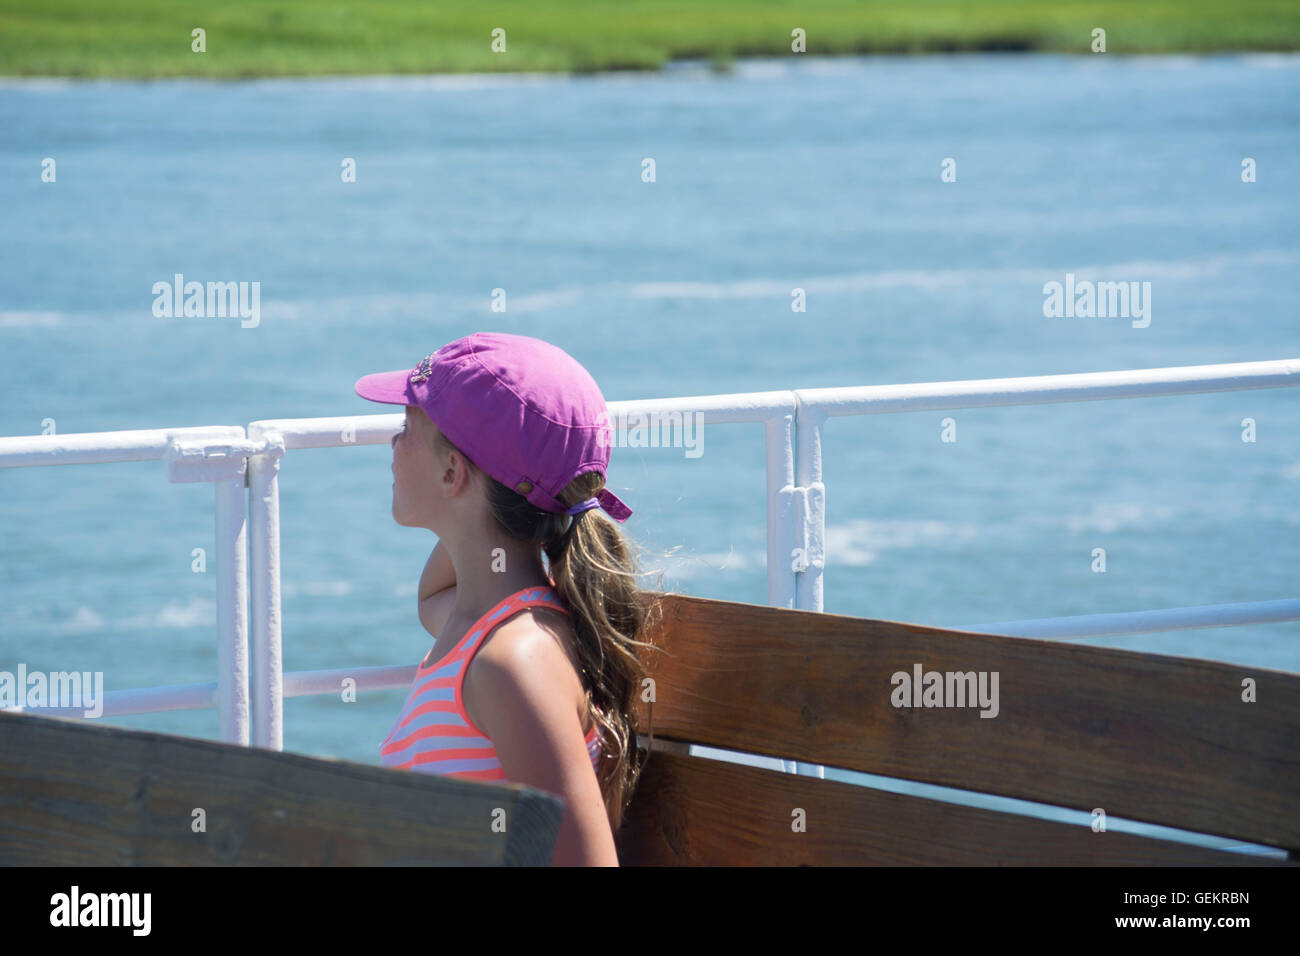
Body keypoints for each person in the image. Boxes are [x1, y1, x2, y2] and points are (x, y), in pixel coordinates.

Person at [354, 332, 662, 866]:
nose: (394, 443)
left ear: (452, 472)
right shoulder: (480, 625)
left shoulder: (514, 664)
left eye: (407, 427)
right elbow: (435, 595)